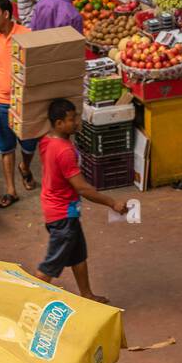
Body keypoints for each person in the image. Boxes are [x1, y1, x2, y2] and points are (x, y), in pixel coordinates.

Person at [34, 98, 126, 301]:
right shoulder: (64, 151)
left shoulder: (47, 141)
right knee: (49, 266)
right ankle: (28, 303)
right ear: (59, 123)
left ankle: (87, 295)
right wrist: (112, 203)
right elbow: (82, 187)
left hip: (61, 209)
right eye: (71, 119)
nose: (76, 122)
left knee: (78, 256)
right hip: (62, 215)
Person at [0, 0, 38, 208]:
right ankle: (11, 190)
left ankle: (25, 166)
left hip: (25, 102)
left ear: (6, 14)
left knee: (29, 144)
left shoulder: (27, 35)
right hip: (2, 102)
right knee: (6, 147)